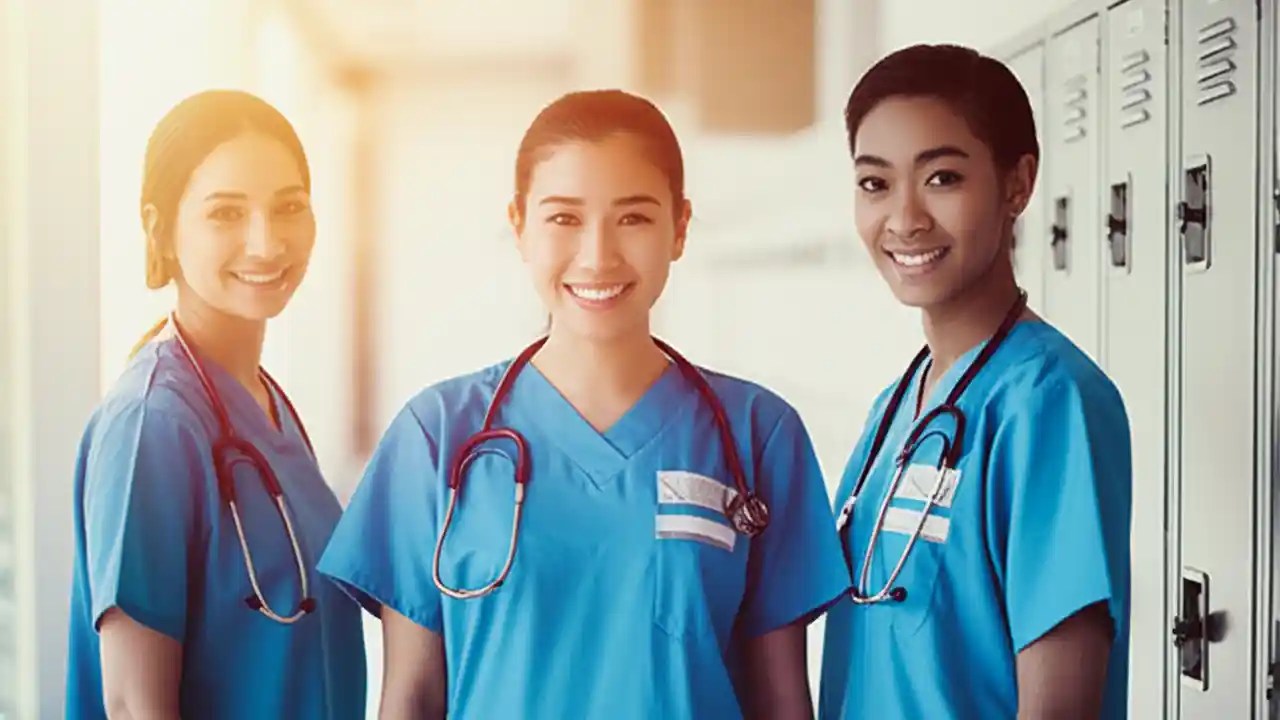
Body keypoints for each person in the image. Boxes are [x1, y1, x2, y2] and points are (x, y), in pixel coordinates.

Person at [317, 89, 850, 719]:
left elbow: (784, 705)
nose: (598, 256)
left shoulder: (758, 434)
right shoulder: (437, 437)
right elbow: (410, 698)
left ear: (680, 227)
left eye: (633, 218)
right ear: (518, 225)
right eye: (565, 219)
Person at [817, 44, 1132, 719]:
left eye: (942, 179)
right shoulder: (899, 407)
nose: (904, 219)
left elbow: (1062, 704)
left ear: (1017, 184)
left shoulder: (1049, 403)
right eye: (876, 184)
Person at [64, 89, 366, 719]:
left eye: (289, 208)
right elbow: (131, 705)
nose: (266, 242)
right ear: (161, 229)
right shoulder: (153, 423)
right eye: (226, 214)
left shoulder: (266, 405)